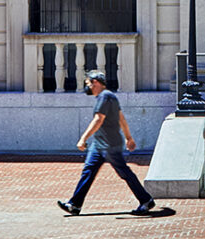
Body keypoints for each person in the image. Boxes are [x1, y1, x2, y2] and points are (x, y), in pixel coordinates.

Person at [58, 70, 157, 216]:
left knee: (124, 172)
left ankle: (146, 200)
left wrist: (83, 138)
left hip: (109, 144)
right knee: (88, 171)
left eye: (88, 84)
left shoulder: (105, 97)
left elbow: (99, 119)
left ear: (95, 82)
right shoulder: (109, 97)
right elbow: (121, 118)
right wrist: (129, 138)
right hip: (99, 145)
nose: (88, 87)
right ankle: (75, 204)